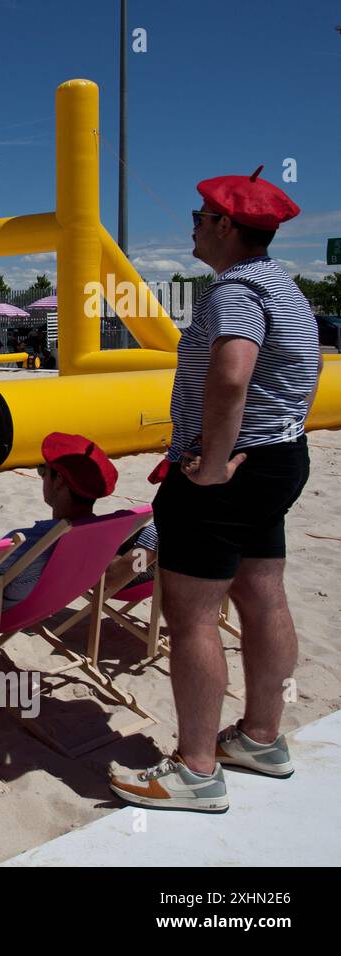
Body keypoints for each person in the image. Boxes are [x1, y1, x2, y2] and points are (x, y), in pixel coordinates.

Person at [110, 167, 321, 813]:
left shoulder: (232, 292)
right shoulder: (282, 288)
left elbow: (231, 377)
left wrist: (212, 461)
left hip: (228, 472)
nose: (192, 226)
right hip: (279, 457)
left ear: (227, 226)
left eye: (201, 217)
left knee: (195, 616)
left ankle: (197, 768)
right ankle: (261, 736)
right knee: (262, 594)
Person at [0, 433, 117, 627]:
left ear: (59, 480)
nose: (41, 477)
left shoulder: (32, 542)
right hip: (35, 608)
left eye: (43, 470)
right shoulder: (101, 533)